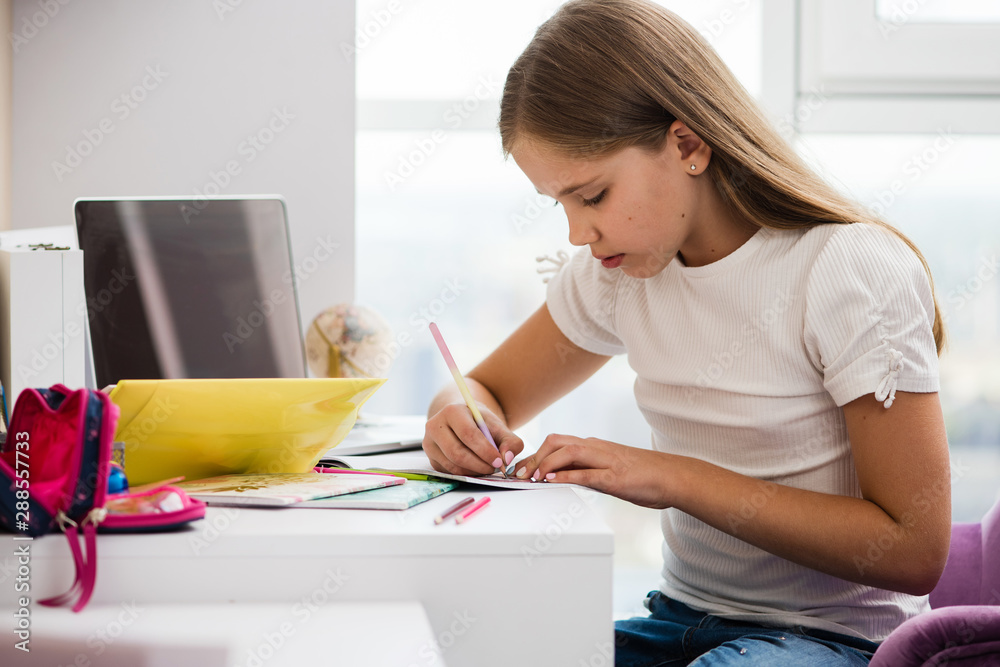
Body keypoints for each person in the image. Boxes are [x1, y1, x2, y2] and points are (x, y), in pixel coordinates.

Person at [421, 1, 952, 664]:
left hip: (835, 638)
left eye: (592, 196)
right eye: (558, 203)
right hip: (680, 622)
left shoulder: (845, 269)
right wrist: (457, 415)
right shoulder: (617, 273)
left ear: (688, 145)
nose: (577, 234)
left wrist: (670, 477)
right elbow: (485, 388)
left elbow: (913, 549)